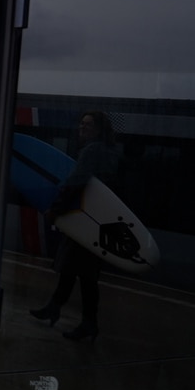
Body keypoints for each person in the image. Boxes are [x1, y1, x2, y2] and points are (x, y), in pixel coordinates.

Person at [30, 111, 122, 341]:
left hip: (84, 220)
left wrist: (56, 209)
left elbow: (76, 182)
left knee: (86, 276)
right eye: (81, 124)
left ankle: (89, 323)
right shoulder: (111, 152)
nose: (82, 129)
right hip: (97, 221)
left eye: (88, 126)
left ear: (99, 130)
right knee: (73, 269)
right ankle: (54, 307)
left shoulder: (92, 151)